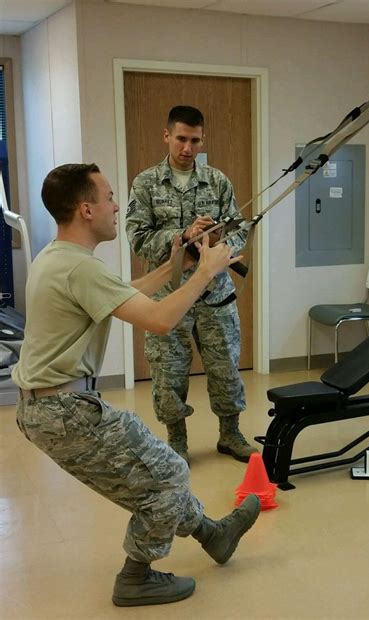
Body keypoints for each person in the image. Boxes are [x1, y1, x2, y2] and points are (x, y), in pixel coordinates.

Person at [12, 163, 260, 607]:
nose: (115, 207)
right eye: (109, 198)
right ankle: (136, 577)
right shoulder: (77, 268)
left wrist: (175, 265)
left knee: (154, 472)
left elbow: (125, 292)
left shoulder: (61, 259)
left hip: (50, 408)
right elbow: (161, 320)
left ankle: (214, 536)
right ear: (86, 209)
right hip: (64, 411)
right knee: (168, 474)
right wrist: (206, 270)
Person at [126, 105, 258, 464]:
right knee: (168, 371)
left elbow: (241, 228)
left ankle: (230, 435)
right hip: (168, 298)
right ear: (166, 136)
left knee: (225, 366)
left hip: (215, 294)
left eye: (195, 140)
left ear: (203, 140)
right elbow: (138, 239)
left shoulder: (217, 181)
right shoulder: (147, 183)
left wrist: (219, 242)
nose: (187, 147)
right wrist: (182, 235)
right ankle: (177, 442)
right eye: (181, 139)